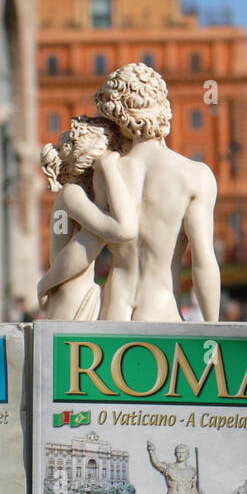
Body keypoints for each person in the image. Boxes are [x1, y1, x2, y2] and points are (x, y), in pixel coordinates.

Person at [96, 64, 220, 321]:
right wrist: (214, 327)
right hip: (162, 306)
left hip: (113, 307)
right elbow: (203, 261)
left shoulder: (105, 171)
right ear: (164, 108)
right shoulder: (195, 174)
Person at [37, 116, 137, 320]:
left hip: (75, 297)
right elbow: (117, 230)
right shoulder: (71, 194)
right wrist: (45, 283)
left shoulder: (73, 197)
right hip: (72, 302)